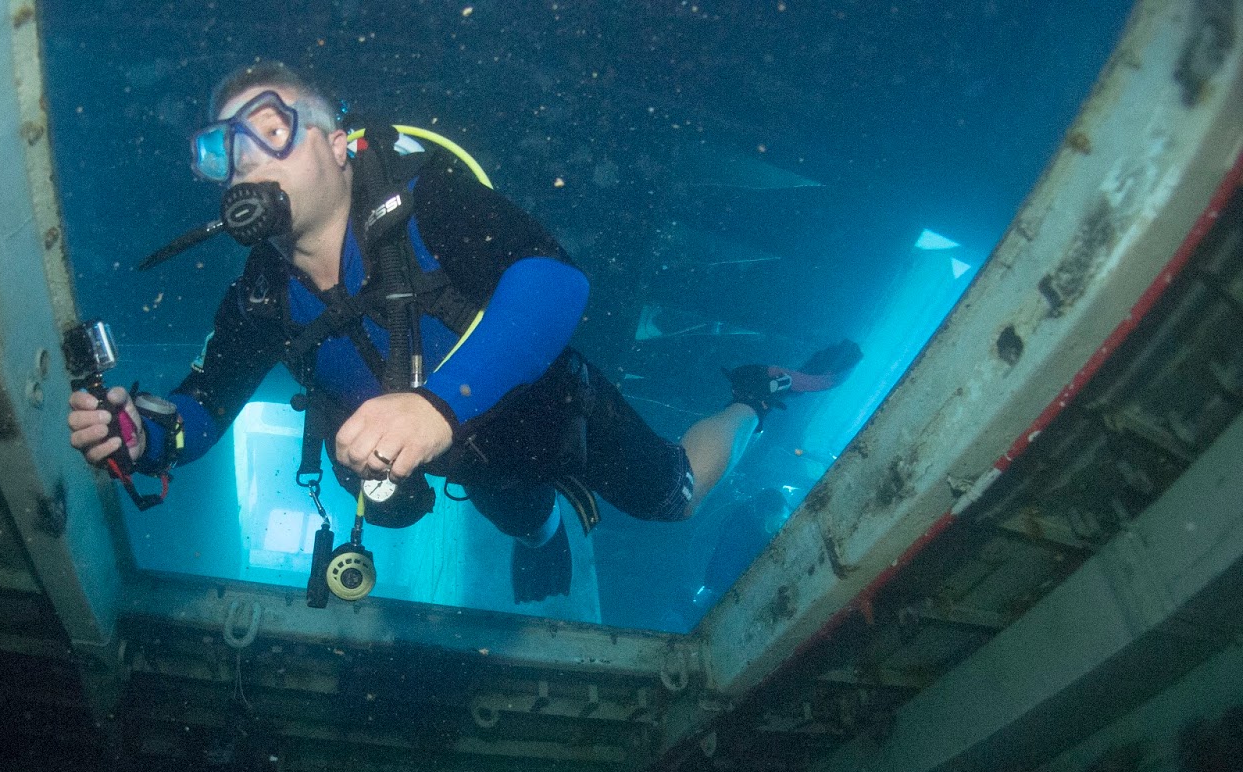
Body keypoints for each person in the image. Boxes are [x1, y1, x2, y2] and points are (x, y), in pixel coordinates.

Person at [67, 61, 858, 602]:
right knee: (523, 517)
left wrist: (438, 407)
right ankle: (542, 532)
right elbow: (203, 407)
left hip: (552, 414)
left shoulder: (427, 202)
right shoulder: (259, 296)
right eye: (222, 146)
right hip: (473, 470)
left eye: (269, 127)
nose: (244, 157)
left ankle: (756, 396)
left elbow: (557, 282)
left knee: (676, 496)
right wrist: (144, 431)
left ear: (338, 145)